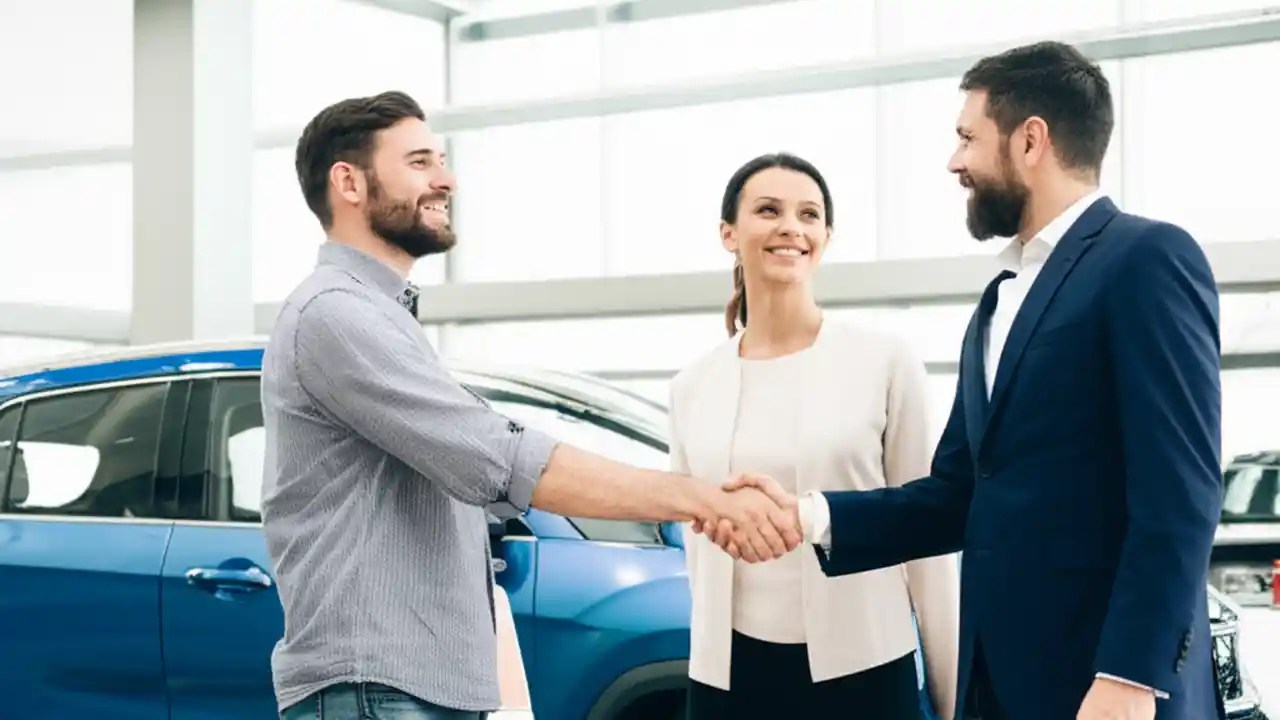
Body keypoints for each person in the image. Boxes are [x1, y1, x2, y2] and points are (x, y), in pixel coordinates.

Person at [710, 42, 1224, 720]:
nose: (955, 162)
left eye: (967, 137)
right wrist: (808, 514)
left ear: (1030, 140)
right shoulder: (998, 301)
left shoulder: (1147, 258)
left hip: (1104, 688)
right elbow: (958, 494)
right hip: (1002, 683)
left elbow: (1180, 492)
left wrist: (1131, 676)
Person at [258, 91, 802, 720]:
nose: (446, 179)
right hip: (375, 690)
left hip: (404, 688)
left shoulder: (379, 316)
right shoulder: (337, 315)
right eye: (419, 162)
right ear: (348, 182)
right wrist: (704, 499)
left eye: (442, 159)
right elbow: (499, 458)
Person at [670, 152, 960, 720]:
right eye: (768, 210)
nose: (790, 228)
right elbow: (693, 537)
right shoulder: (692, 385)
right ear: (728, 233)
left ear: (826, 236)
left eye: (809, 214)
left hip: (866, 671)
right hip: (728, 678)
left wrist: (951, 699)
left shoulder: (884, 361)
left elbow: (928, 538)